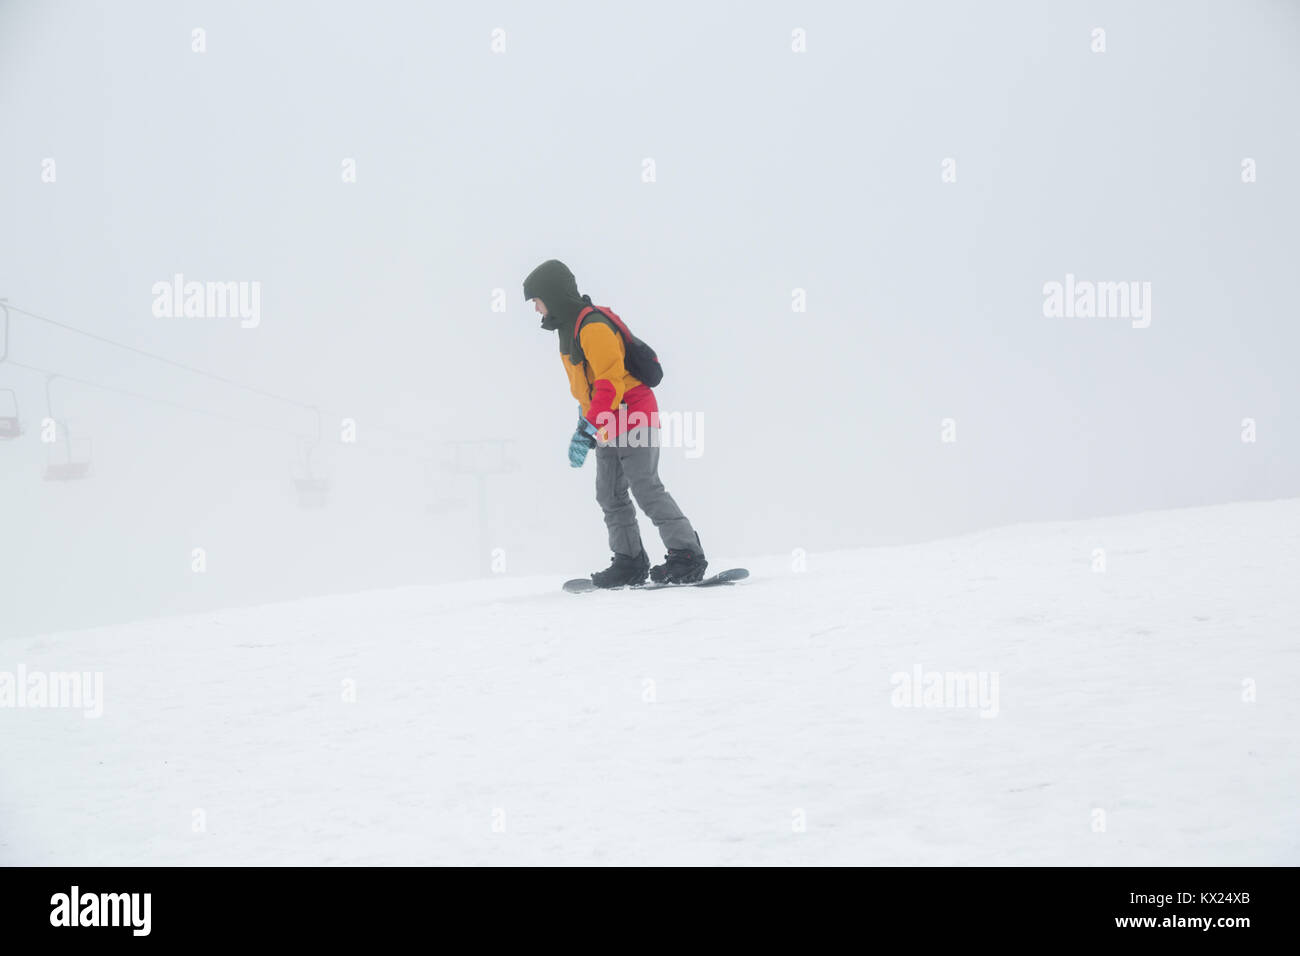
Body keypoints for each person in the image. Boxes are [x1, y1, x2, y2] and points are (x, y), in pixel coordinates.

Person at [523, 259, 707, 587]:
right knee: (609, 494)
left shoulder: (592, 325)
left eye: (536, 300)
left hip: (632, 412)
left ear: (552, 294)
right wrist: (586, 423)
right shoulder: (568, 330)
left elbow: (610, 383)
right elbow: (588, 387)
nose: (536, 309)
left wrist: (587, 430)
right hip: (606, 419)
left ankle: (686, 554)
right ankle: (630, 561)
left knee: (645, 486)